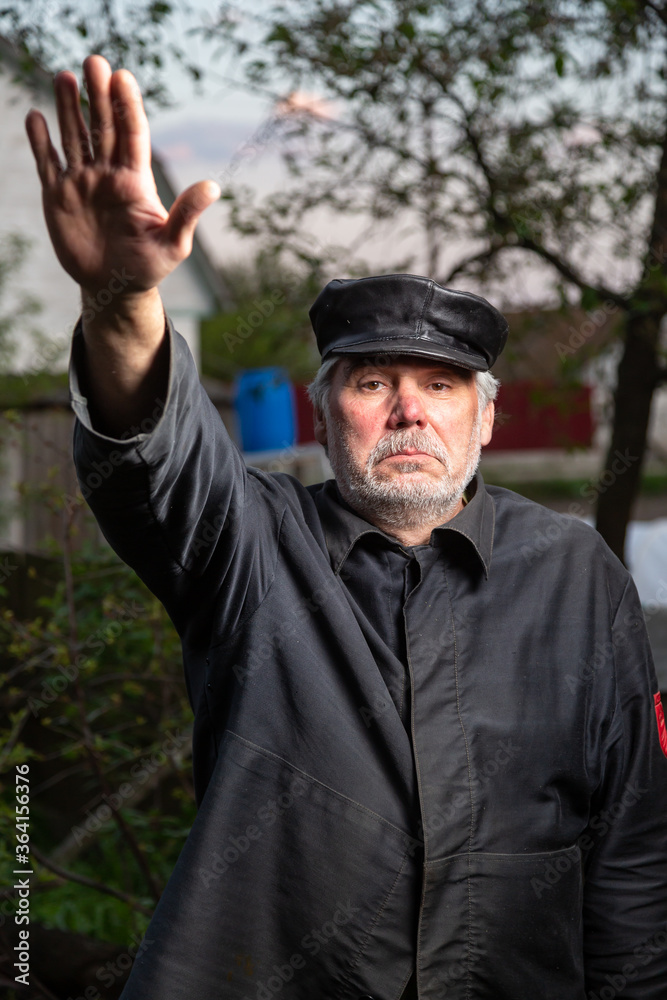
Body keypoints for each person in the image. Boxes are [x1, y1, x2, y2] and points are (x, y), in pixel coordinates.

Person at [26, 56, 667, 1000]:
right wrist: (122, 301)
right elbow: (153, 458)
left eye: (441, 385)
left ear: (485, 419)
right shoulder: (249, 546)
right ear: (325, 417)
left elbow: (631, 849)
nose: (409, 411)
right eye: (372, 383)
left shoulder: (576, 574)